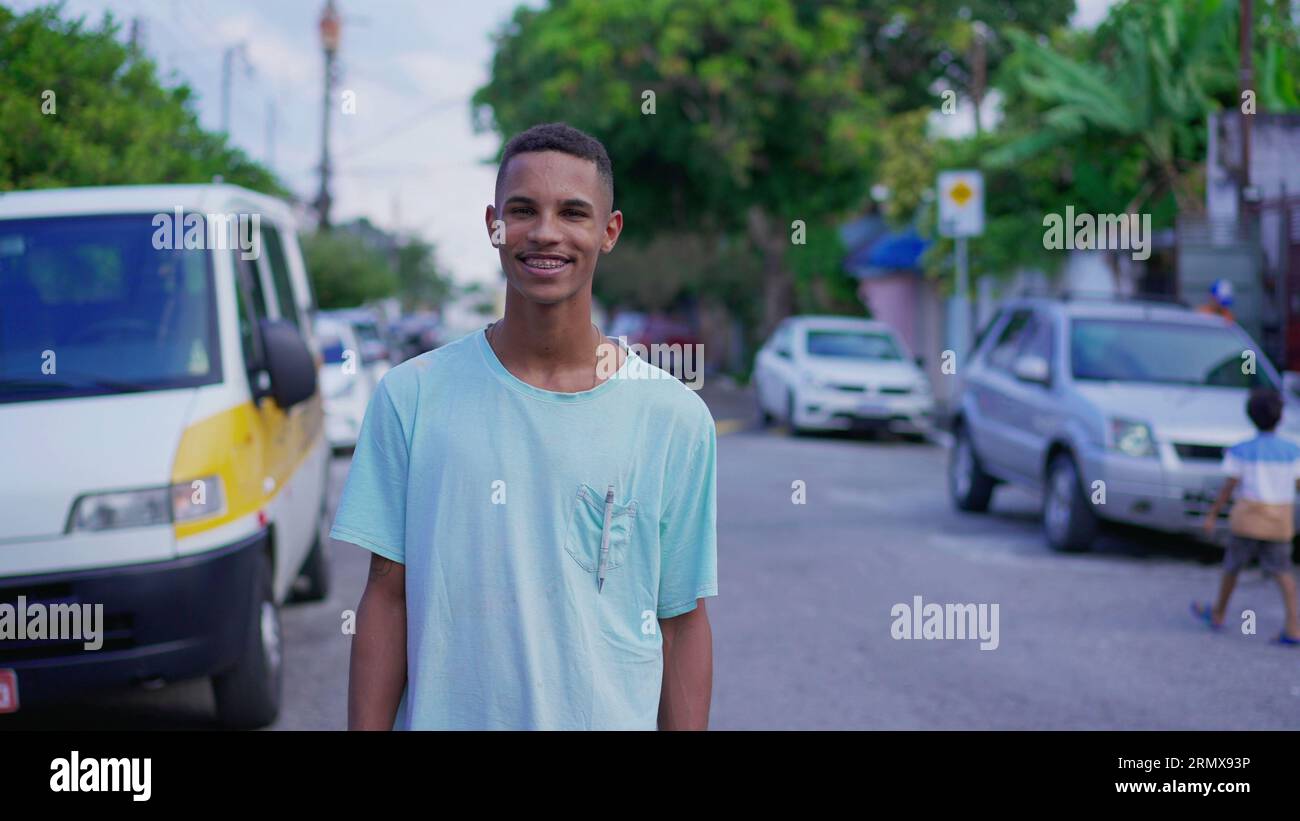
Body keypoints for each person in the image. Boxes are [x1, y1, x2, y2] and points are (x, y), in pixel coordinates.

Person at [333, 122, 719, 729]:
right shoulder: (412, 396)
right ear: (493, 224)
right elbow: (385, 596)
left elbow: (681, 620)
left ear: (608, 231)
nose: (545, 232)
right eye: (522, 210)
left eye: (573, 212)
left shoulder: (673, 418)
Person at [1195, 388, 1300, 644]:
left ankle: (1219, 613)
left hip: (1248, 520)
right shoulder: (1292, 451)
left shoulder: (1241, 450)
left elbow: (1229, 486)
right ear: (1281, 417)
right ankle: (1294, 626)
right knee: (1283, 573)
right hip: (1279, 521)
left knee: (1232, 567)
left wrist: (1212, 514)